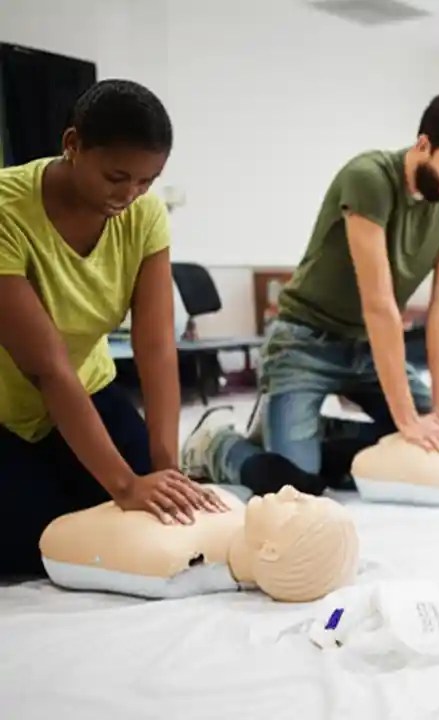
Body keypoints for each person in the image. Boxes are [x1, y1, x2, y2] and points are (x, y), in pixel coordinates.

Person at [181, 92, 439, 496]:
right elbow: (379, 303)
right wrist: (407, 419)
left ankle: (318, 429)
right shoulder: (369, 177)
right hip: (303, 343)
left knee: (438, 449)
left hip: (368, 349)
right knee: (294, 486)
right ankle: (215, 444)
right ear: (423, 145)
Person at [0, 79, 229, 576]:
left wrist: (164, 465)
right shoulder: (6, 209)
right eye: (116, 176)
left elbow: (156, 349)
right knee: (33, 544)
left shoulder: (144, 216)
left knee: (161, 509)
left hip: (89, 389)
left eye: (147, 181)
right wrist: (124, 485)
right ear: (72, 145)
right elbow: (45, 368)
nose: (130, 195)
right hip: (11, 408)